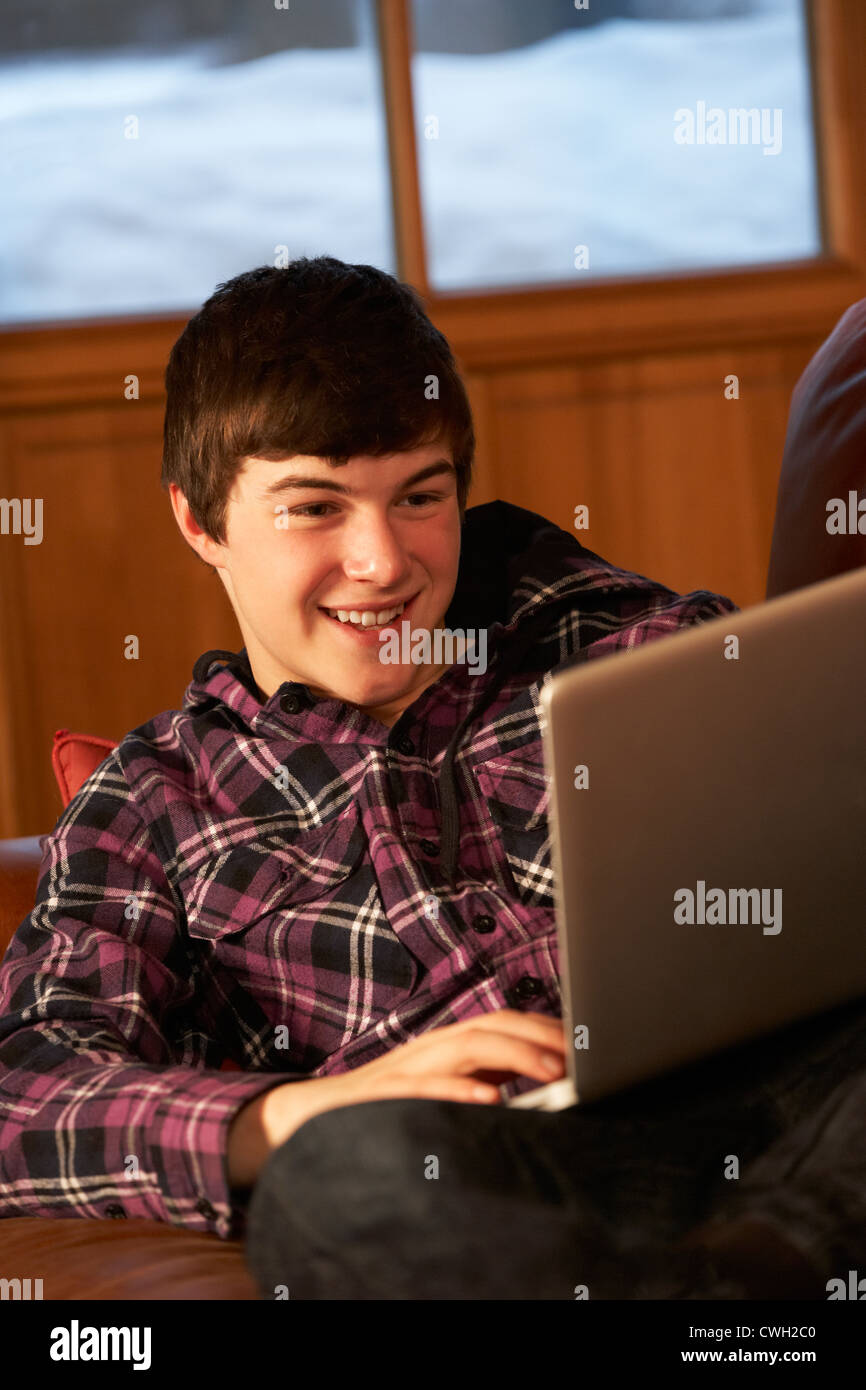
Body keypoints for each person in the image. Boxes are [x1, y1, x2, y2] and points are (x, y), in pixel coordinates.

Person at [0, 258, 863, 1300]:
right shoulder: (154, 802)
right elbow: (25, 1094)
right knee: (337, 1180)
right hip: (496, 1177)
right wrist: (311, 1109)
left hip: (791, 1105)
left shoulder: (639, 645)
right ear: (200, 521)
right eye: (313, 507)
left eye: (419, 496)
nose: (382, 562)